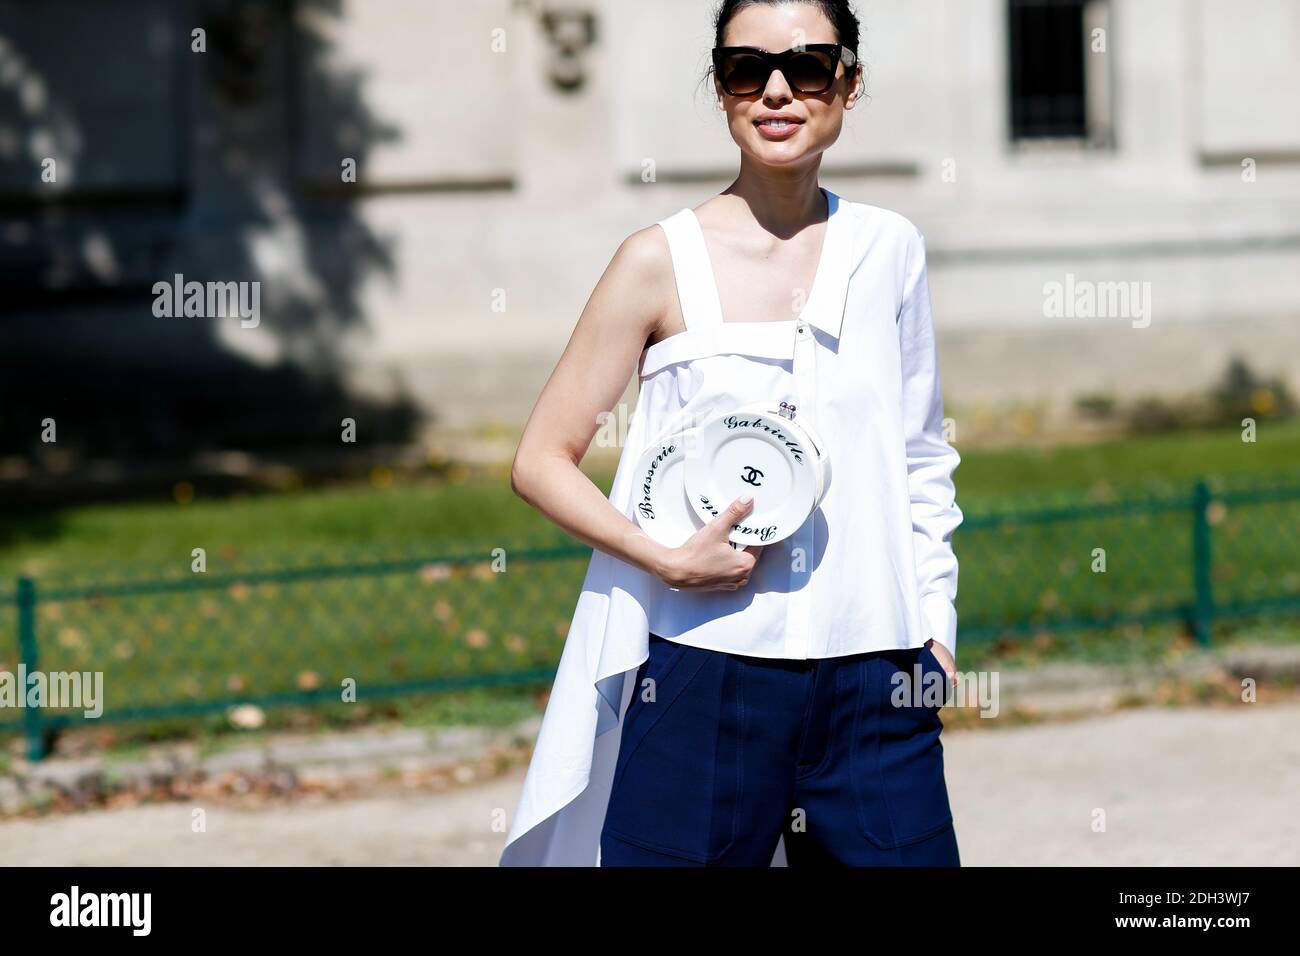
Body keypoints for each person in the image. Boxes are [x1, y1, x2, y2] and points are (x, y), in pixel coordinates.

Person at [501, 0, 963, 866]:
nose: (777, 91)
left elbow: (921, 454)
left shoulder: (890, 249)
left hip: (877, 672)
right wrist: (663, 558)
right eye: (746, 69)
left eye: (808, 67)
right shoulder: (655, 260)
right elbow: (541, 460)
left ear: (849, 84)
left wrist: (934, 626)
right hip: (703, 673)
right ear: (720, 89)